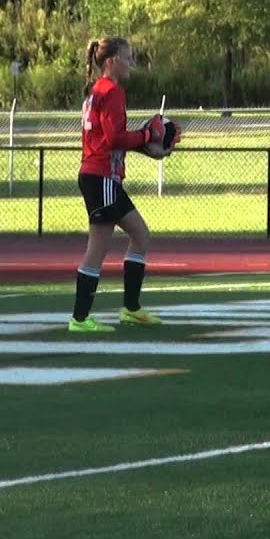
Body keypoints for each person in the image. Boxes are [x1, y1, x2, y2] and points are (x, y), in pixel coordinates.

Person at [71, 37, 180, 333]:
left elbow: (112, 138)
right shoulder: (112, 91)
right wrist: (148, 136)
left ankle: (131, 309)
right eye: (128, 57)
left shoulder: (99, 91)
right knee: (98, 248)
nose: (132, 62)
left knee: (141, 236)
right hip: (101, 177)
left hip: (102, 177)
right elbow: (114, 139)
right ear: (111, 61)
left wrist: (146, 142)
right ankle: (80, 319)